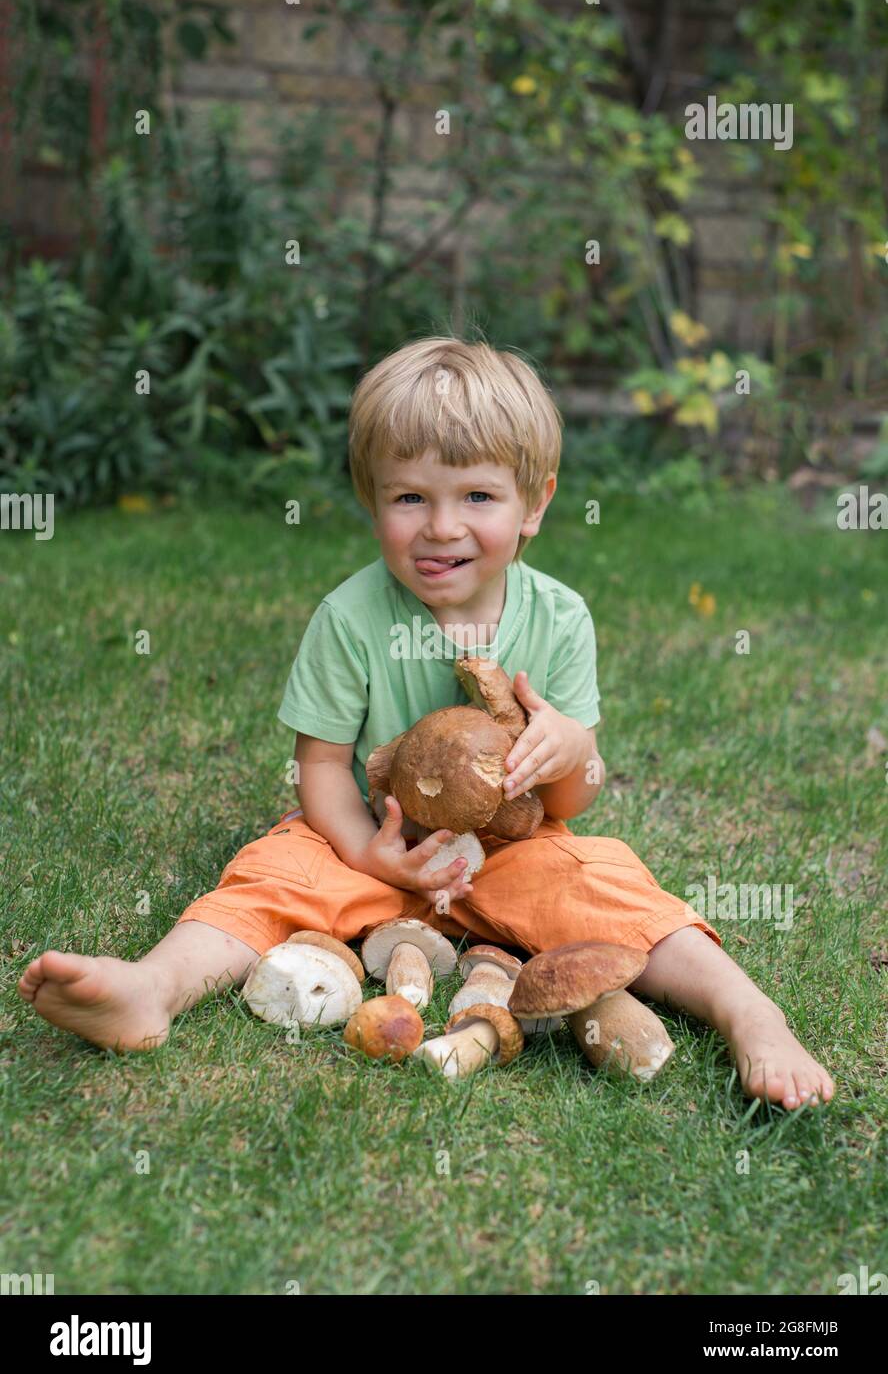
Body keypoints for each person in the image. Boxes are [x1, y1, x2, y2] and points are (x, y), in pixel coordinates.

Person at [19, 337, 834, 1110]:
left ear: (534, 506)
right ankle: (151, 989)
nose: (441, 526)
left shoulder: (558, 618)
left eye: (477, 496)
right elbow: (324, 768)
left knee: (606, 880)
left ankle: (747, 1013)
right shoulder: (350, 617)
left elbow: (573, 802)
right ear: (373, 501)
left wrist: (572, 749)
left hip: (510, 853)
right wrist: (366, 850)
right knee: (273, 870)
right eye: (410, 497)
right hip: (373, 845)